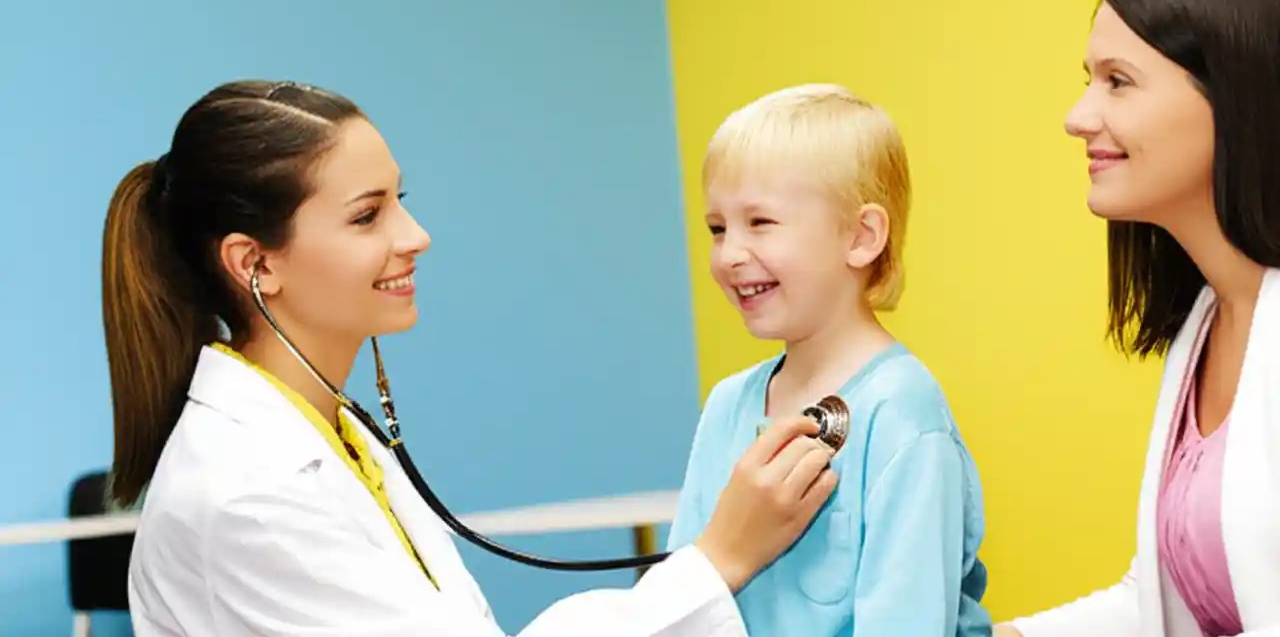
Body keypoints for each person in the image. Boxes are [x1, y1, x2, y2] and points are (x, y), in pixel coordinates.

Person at [101, 79, 839, 636]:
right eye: (368, 215)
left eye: (401, 200)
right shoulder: (244, 495)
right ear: (256, 264)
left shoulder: (332, 437)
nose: (415, 234)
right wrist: (718, 559)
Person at [997, 0, 1280, 637]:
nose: (1078, 116)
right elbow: (1168, 605)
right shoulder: (1210, 322)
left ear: (1235, 97)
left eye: (1118, 82)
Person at [665, 83, 991, 636]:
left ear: (862, 237)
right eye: (718, 229)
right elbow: (684, 593)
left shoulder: (902, 413)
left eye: (760, 222)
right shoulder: (728, 405)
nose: (729, 255)